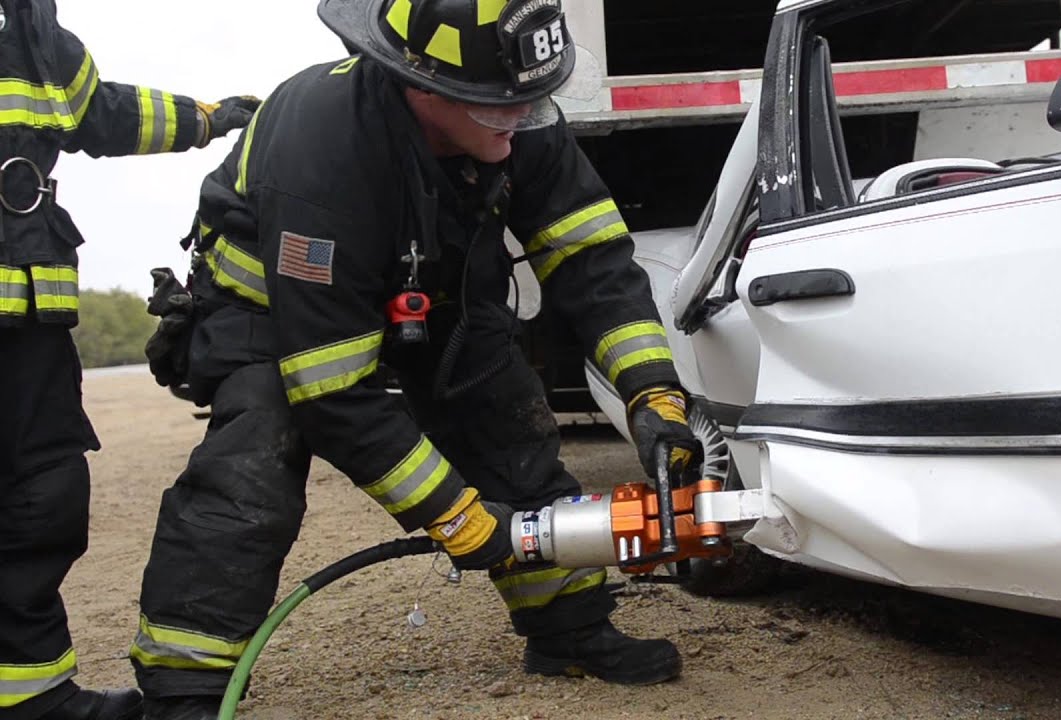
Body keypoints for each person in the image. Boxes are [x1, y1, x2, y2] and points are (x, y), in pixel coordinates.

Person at [132, 0, 702, 717]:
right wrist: (456, 515)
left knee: (511, 435)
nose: (524, 118)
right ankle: (184, 688)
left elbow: (591, 262)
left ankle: (570, 630)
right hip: (273, 315)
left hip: (432, 299)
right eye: (503, 107)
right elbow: (334, 392)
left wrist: (652, 393)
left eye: (534, 97)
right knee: (251, 472)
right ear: (422, 86)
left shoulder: (518, 115)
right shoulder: (322, 146)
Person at [0, 2, 260, 720]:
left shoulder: (33, 32)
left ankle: (28, 694)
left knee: (42, 499)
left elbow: (104, 113)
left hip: (27, 320)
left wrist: (212, 117)